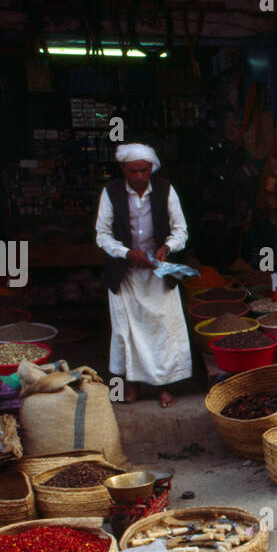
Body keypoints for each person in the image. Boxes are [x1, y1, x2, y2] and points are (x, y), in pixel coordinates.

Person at [95, 143, 191, 408]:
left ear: (151, 169)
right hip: (125, 272)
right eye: (132, 171)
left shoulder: (164, 189)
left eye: (143, 171)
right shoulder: (111, 191)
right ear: (124, 170)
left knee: (162, 328)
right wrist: (126, 253)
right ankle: (133, 384)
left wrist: (166, 248)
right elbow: (102, 235)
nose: (138, 176)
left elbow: (180, 230)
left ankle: (163, 386)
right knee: (127, 331)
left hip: (158, 271)